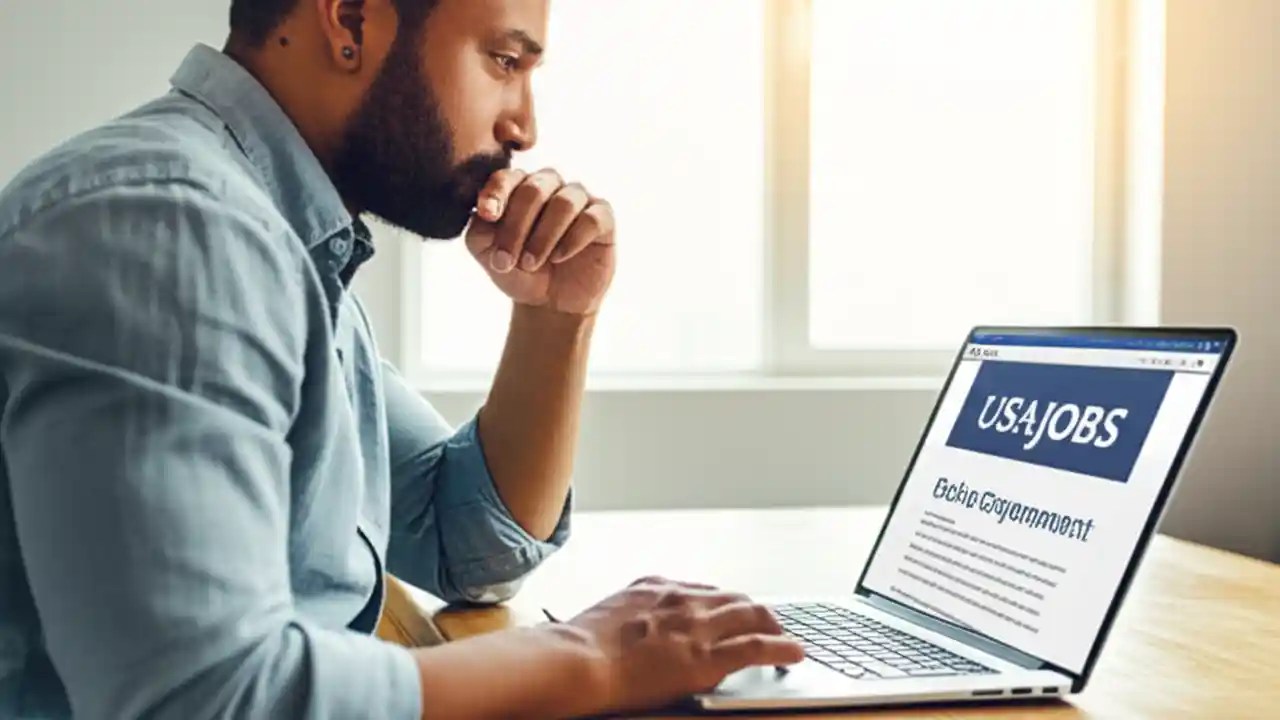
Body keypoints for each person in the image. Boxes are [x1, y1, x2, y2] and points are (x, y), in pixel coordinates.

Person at [0, 0, 804, 717]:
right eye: (505, 60)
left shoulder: (279, 238)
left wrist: (556, 317)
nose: (524, 125)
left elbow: (465, 541)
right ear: (350, 21)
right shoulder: (172, 230)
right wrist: (589, 658)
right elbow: (209, 699)